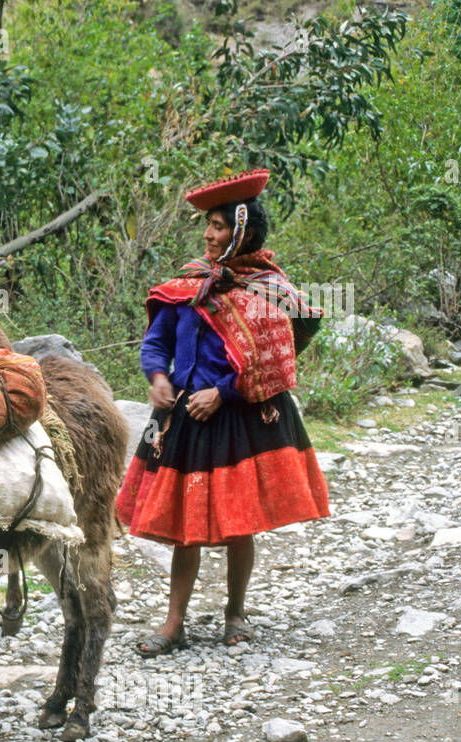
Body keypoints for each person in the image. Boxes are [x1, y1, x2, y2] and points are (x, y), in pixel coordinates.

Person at [115, 168, 330, 657]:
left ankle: (236, 613)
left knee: (239, 523)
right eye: (207, 227)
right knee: (184, 525)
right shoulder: (188, 284)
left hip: (239, 414)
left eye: (218, 227)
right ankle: (174, 623)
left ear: (243, 232)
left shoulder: (269, 289)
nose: (209, 236)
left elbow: (279, 358)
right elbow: (157, 343)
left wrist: (226, 391)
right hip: (185, 413)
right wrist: (158, 379)